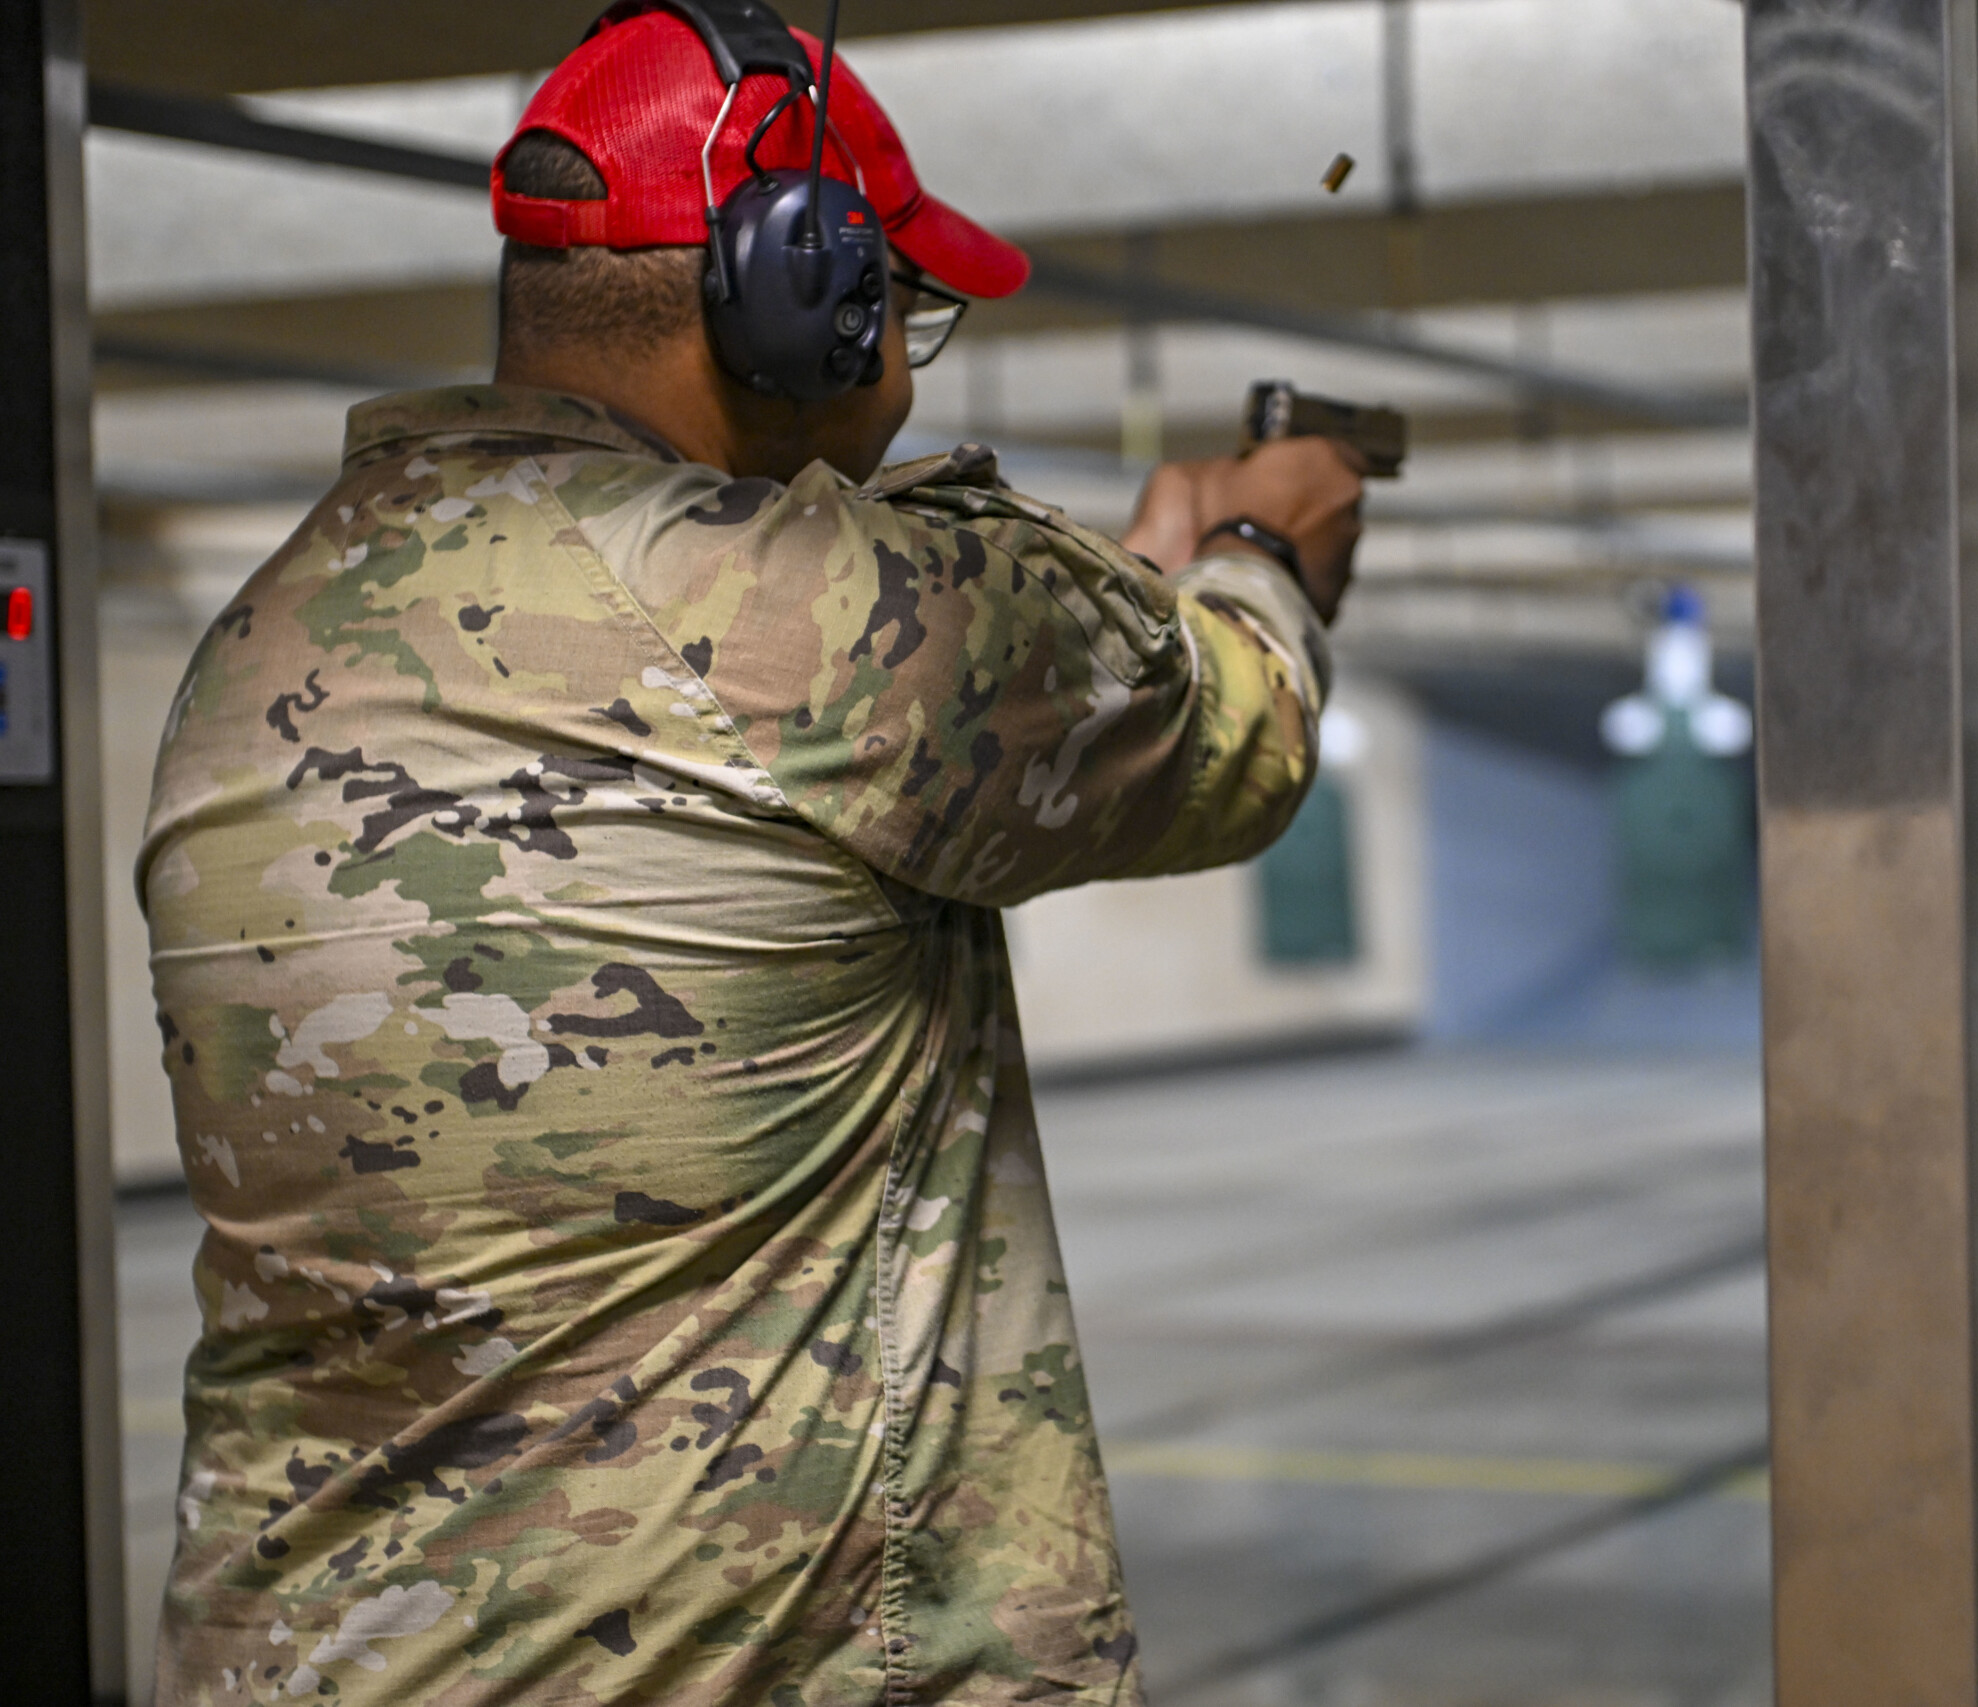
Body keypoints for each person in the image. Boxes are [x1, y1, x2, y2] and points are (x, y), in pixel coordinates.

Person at [136, 6, 1364, 1702]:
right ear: (802, 296)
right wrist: (1254, 546)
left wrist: (1110, 607)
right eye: (900, 309)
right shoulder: (809, 608)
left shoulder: (263, 636)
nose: (909, 363)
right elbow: (1241, 729)